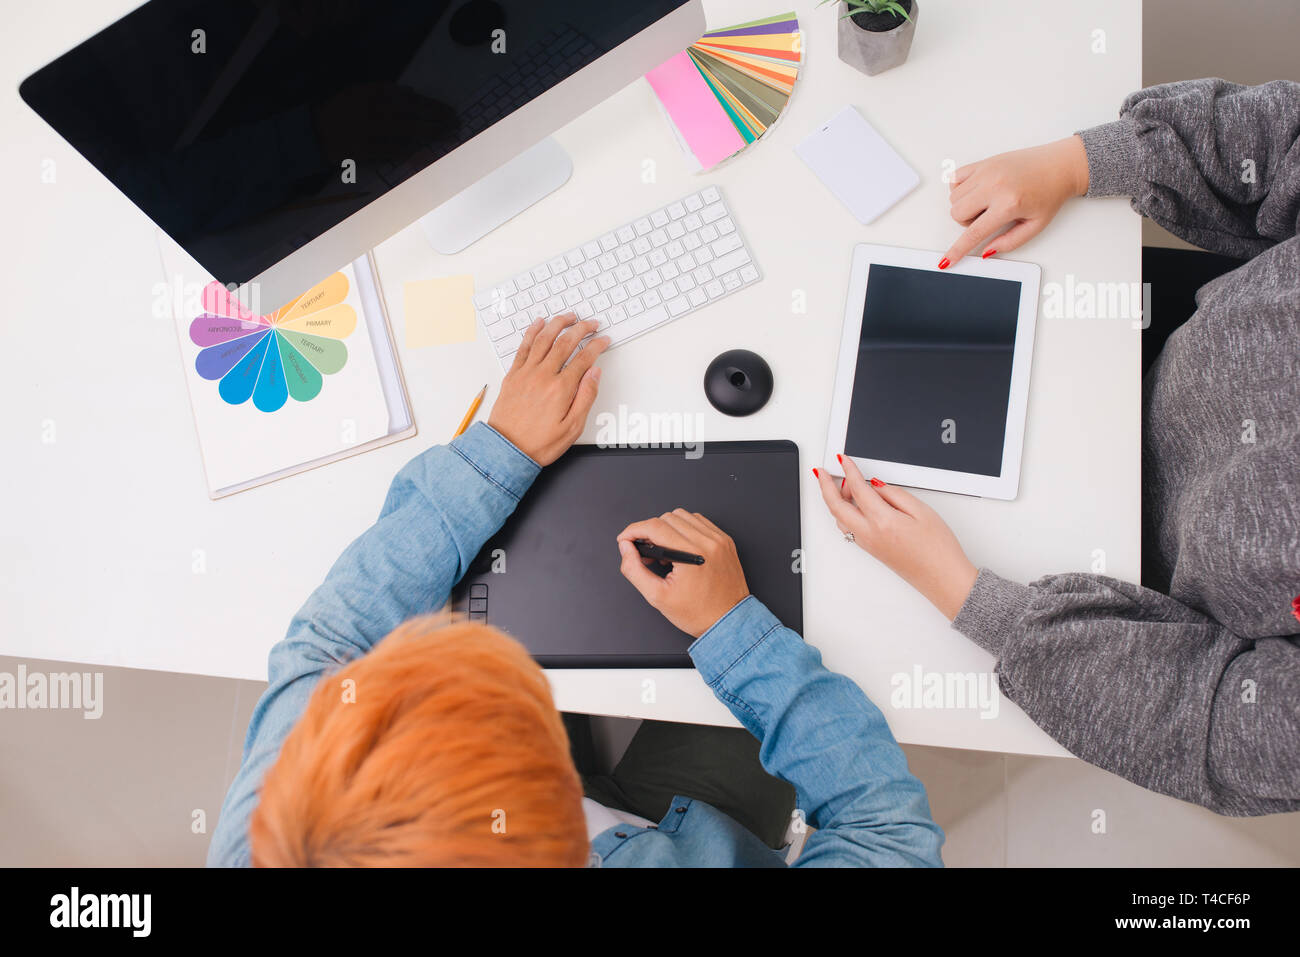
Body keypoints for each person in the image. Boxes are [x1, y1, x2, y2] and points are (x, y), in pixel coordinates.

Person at [208, 313, 944, 866]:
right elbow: (889, 833)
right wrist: (732, 628)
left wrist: (499, 455)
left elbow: (331, 644)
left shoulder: (279, 835)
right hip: (688, 834)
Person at [814, 78, 1299, 816]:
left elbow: (1220, 730)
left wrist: (965, 593)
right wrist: (1081, 162)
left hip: (1132, 575)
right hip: (1159, 349)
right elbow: (1278, 140)